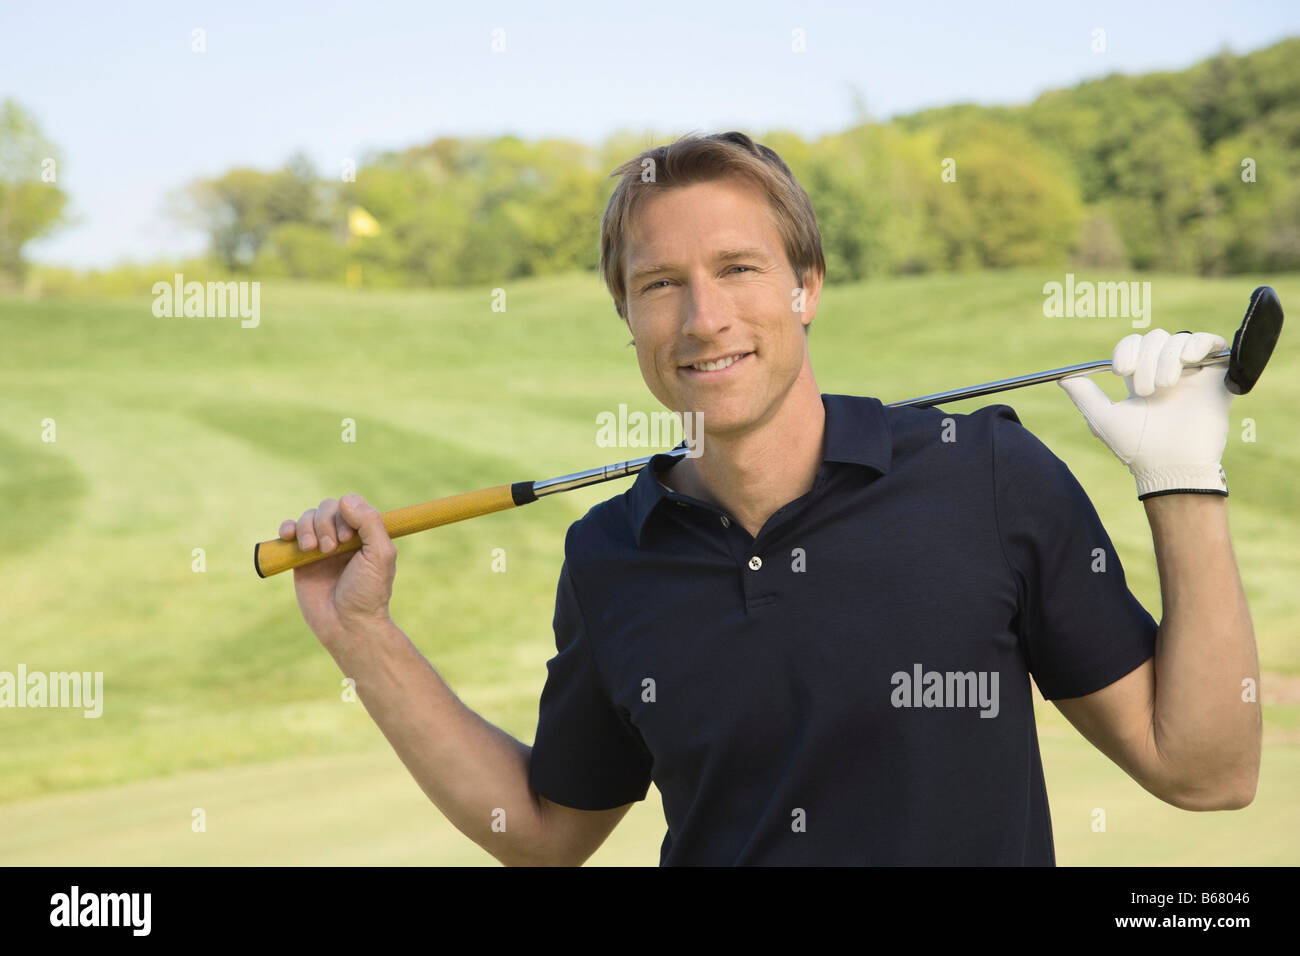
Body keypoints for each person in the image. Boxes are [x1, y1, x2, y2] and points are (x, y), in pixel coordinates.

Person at [276, 131, 1261, 865]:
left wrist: (1181, 482)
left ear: (807, 287)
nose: (704, 318)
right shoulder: (609, 555)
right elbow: (544, 831)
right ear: (627, 317)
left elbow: (1207, 770)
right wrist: (361, 634)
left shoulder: (984, 475)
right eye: (660, 284)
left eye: (738, 268)